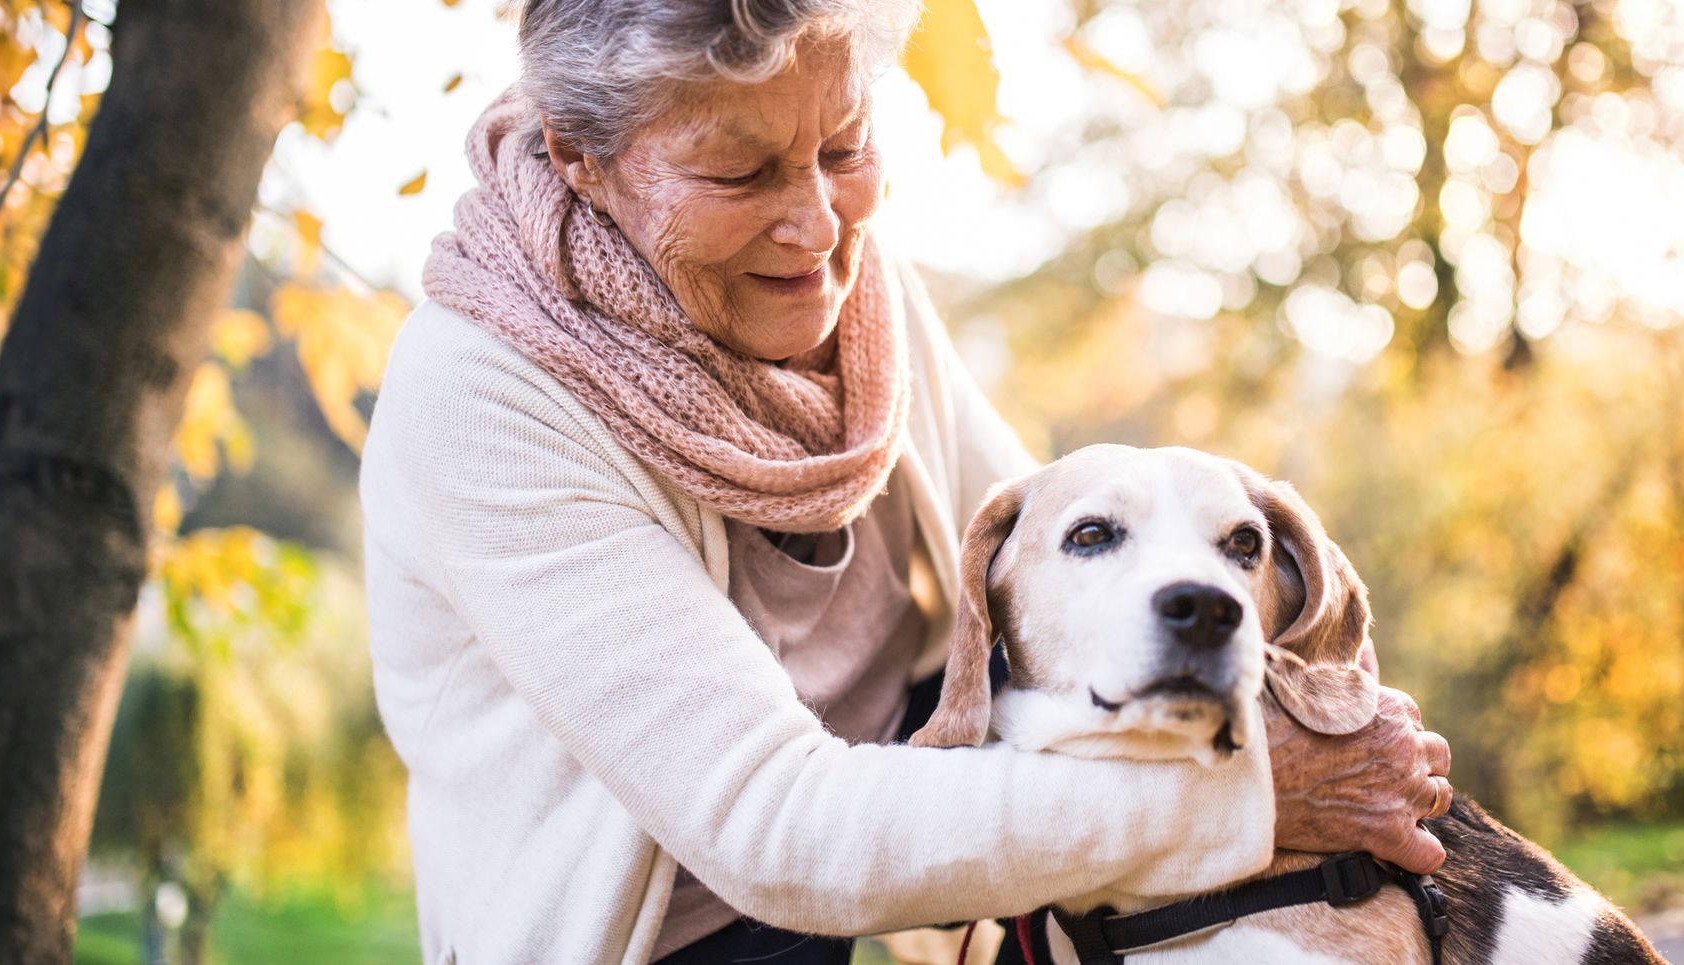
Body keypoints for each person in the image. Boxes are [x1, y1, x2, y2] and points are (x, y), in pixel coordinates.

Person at [358, 2, 1453, 963]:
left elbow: (1057, 563)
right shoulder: (480, 395)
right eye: (738, 173)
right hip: (687, 927)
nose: (817, 225)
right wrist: (1246, 792)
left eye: (844, 145)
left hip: (901, 825)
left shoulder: (851, 281)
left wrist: (1320, 728)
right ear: (579, 158)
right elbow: (775, 826)